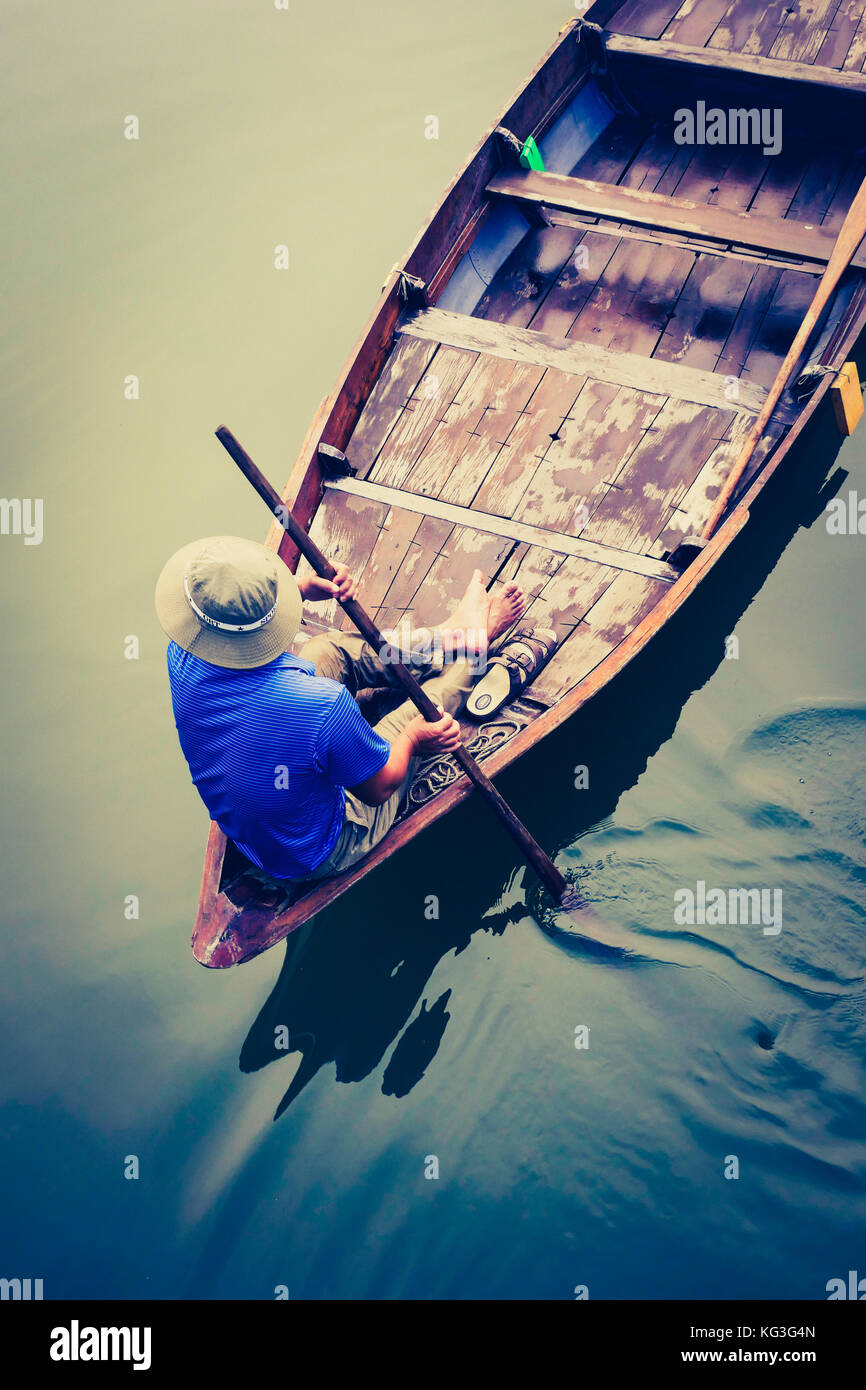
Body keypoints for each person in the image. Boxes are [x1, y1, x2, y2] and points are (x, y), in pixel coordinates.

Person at [155, 535, 525, 884]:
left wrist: (297, 589)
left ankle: (450, 635)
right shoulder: (319, 705)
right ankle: (477, 643)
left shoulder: (183, 654)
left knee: (328, 650)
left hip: (259, 827)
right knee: (409, 718)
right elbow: (379, 788)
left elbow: (239, 640)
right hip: (327, 846)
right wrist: (413, 740)